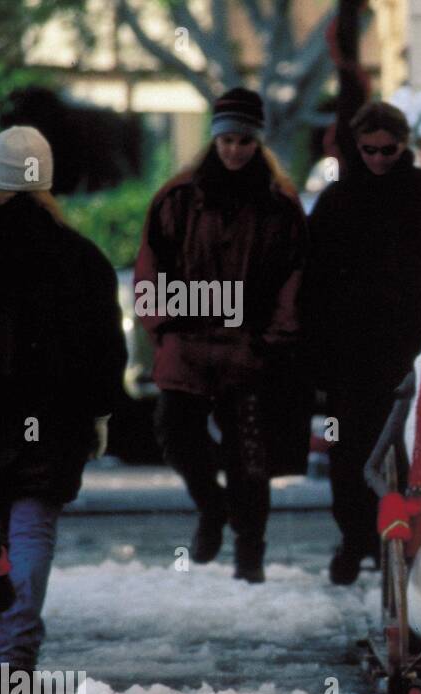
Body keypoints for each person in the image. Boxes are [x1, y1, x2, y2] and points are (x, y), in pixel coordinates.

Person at [134, 88, 308, 584]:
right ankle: (212, 508)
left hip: (248, 346)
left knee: (249, 457)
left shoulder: (278, 204)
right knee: (175, 436)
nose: (235, 150)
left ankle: (249, 554)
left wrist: (272, 338)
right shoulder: (179, 197)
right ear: (214, 139)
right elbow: (152, 268)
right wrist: (163, 329)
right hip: (188, 342)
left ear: (258, 142)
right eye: (228, 139)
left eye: (244, 141)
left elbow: (293, 277)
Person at [0, 126, 126, 678]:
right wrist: (100, 412)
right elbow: (104, 347)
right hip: (54, 415)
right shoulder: (81, 256)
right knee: (31, 528)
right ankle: (14, 655)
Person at [304, 101, 421, 584]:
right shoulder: (337, 202)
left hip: (414, 347)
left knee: (417, 448)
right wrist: (317, 357)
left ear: (403, 144)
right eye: (368, 150)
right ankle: (356, 540)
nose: (377, 159)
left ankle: (407, 539)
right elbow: (313, 285)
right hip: (353, 352)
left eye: (387, 150)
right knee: (351, 452)